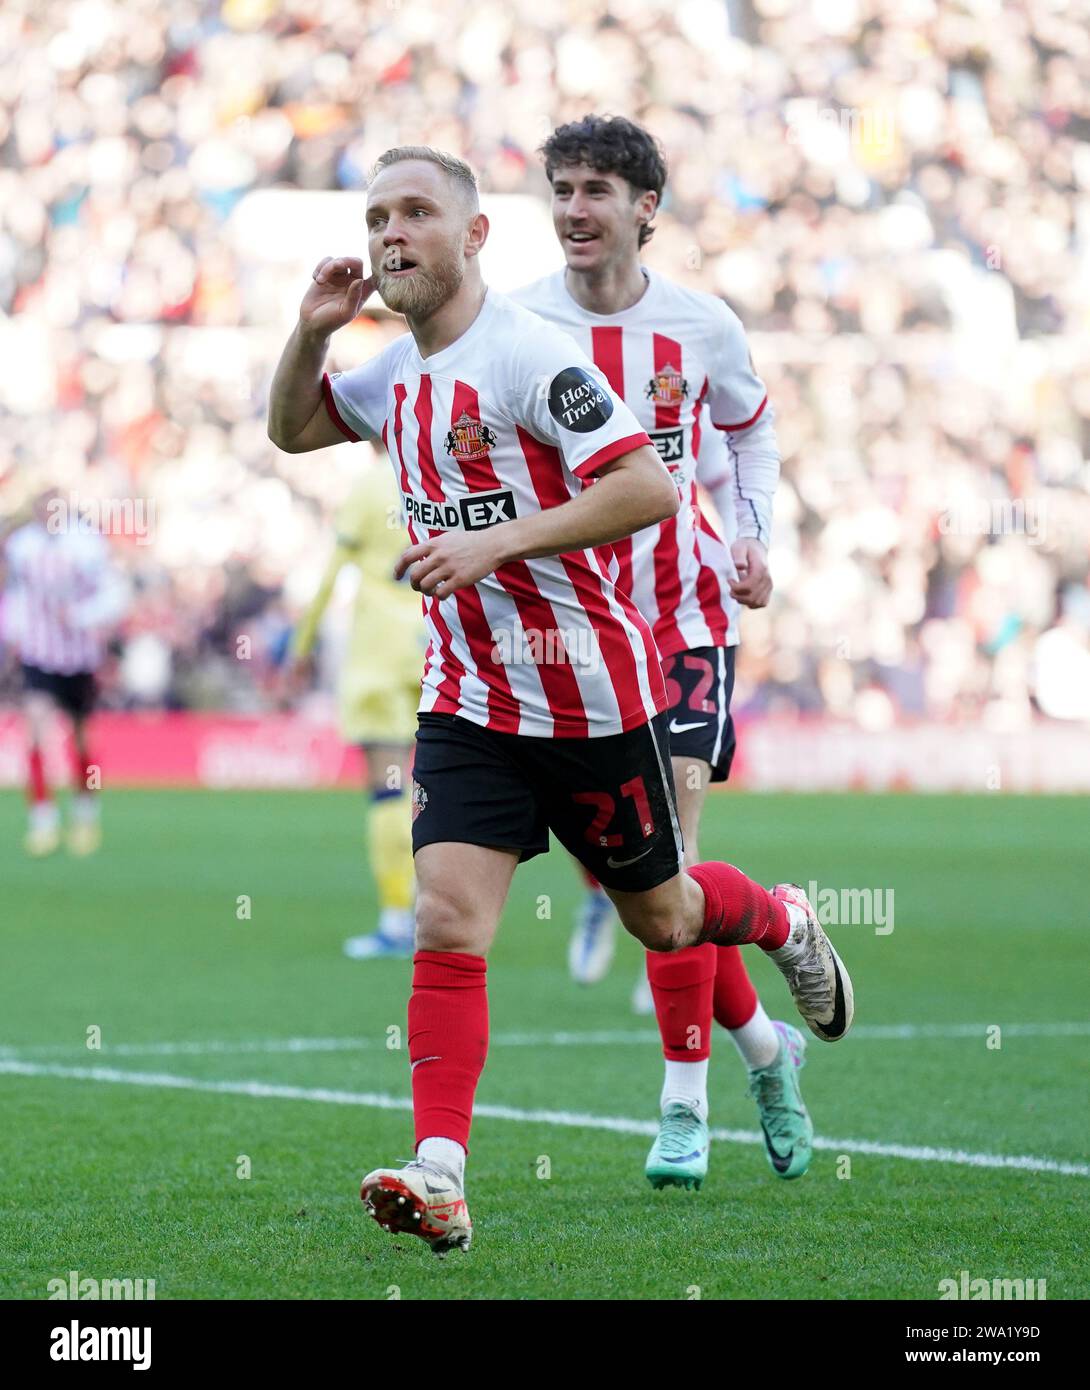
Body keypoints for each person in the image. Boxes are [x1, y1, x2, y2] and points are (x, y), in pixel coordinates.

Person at [267, 145, 853, 1256]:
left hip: (589, 697)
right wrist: (310, 331)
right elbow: (292, 429)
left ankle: (779, 918)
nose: (393, 234)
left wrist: (494, 543)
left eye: (418, 214)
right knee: (447, 919)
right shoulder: (394, 374)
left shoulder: (534, 358)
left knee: (665, 916)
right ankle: (441, 1168)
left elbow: (646, 483)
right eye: (380, 214)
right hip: (470, 702)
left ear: (476, 236)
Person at [512, 115, 813, 1188]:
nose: (573, 210)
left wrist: (752, 538)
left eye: (595, 190)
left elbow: (751, 429)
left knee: (673, 864)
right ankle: (769, 1038)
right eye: (561, 189)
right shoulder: (519, 325)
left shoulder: (703, 327)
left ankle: (681, 1112)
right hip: (580, 634)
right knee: (647, 889)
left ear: (646, 207)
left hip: (685, 616)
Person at [289, 465, 425, 958]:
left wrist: (300, 647)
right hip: (439, 645)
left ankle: (396, 919)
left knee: (389, 788)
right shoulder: (437, 469)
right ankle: (444, 913)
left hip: (380, 654)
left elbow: (331, 574)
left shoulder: (369, 484)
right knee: (437, 787)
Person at [2, 488, 128, 856]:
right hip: (40, 655)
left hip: (80, 657)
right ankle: (42, 821)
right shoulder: (22, 547)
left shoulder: (87, 545)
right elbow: (15, 594)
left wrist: (78, 617)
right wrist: (15, 635)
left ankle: (85, 816)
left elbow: (112, 596)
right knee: (36, 732)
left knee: (81, 740)